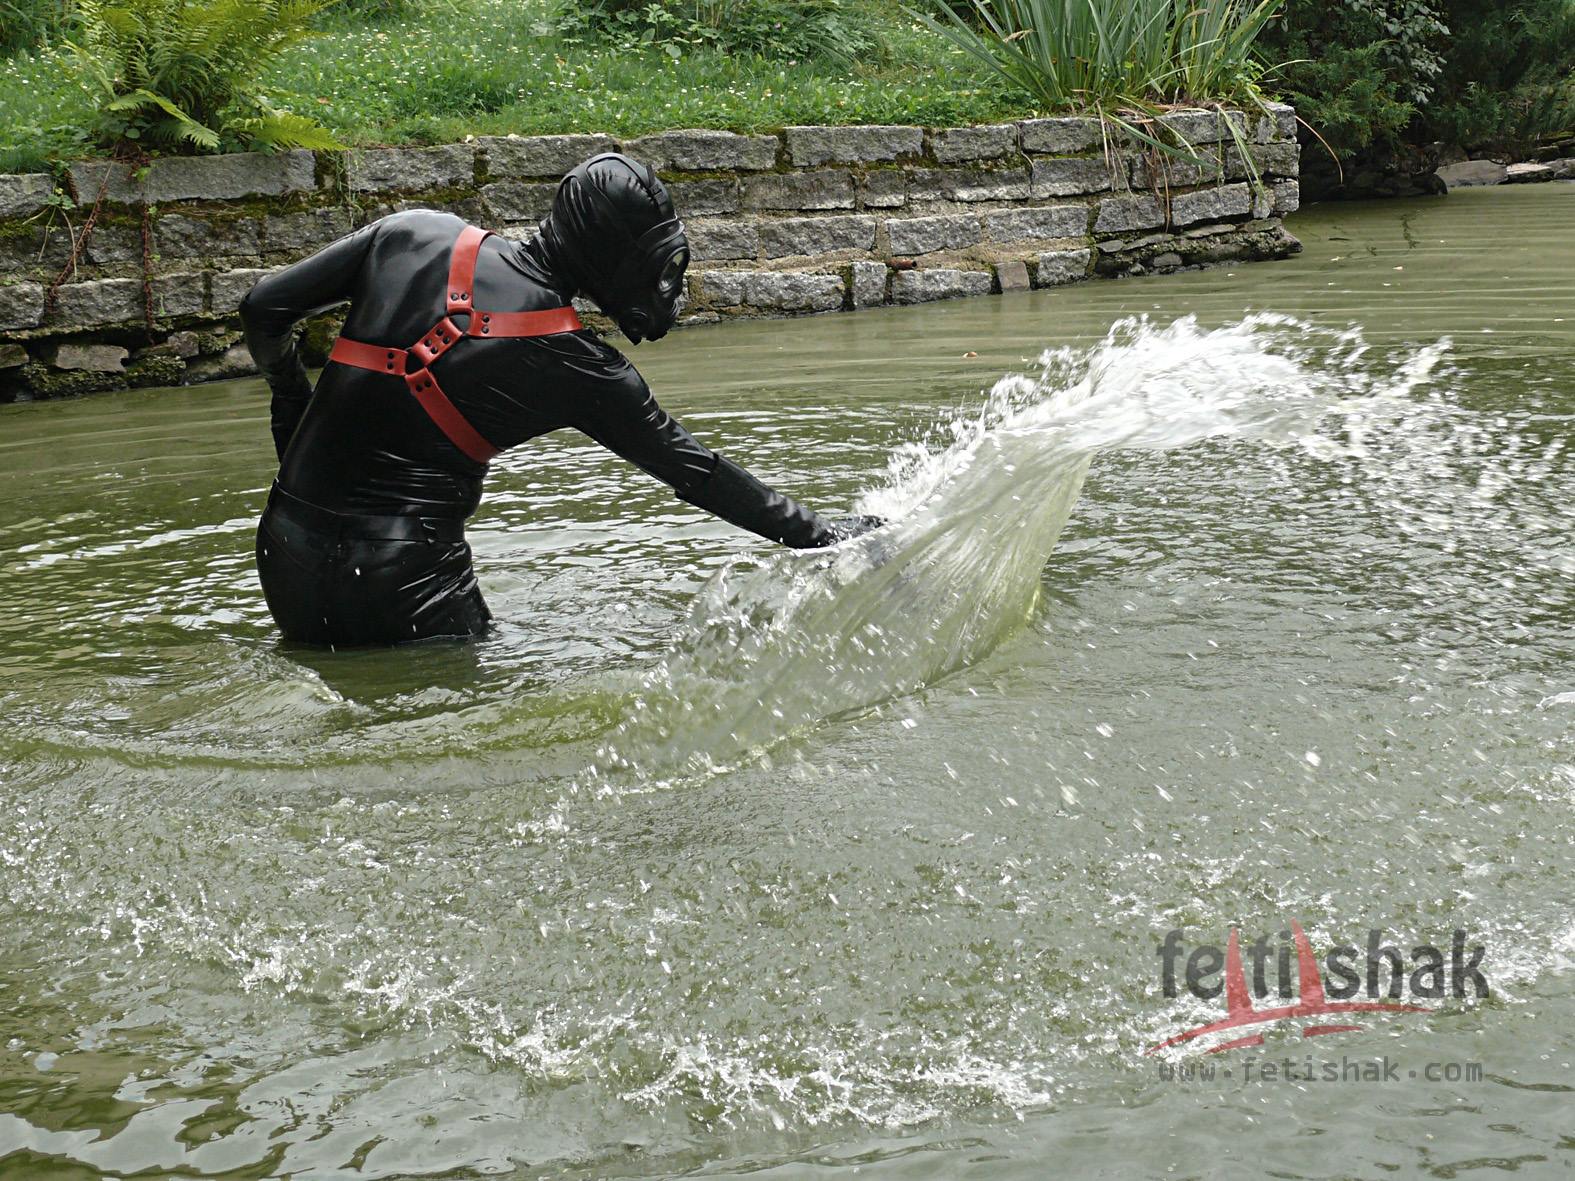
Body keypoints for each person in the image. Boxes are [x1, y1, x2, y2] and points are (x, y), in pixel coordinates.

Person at [240, 152, 879, 647]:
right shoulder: (584, 368)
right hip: (407, 580)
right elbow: (698, 472)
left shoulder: (414, 235)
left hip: (283, 553)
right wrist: (828, 537)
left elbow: (264, 308)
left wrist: (291, 413)